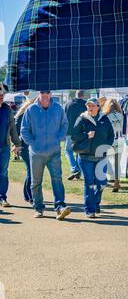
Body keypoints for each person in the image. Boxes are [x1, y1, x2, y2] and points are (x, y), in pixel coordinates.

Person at [21, 90, 71, 220]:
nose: (45, 94)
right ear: (39, 93)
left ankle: (60, 207)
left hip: (54, 151)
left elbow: (64, 125)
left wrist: (58, 139)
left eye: (47, 92)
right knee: (36, 181)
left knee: (57, 179)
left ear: (50, 94)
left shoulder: (58, 108)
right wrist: (33, 143)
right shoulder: (31, 110)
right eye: (42, 92)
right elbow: (24, 130)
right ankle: (38, 208)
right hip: (36, 153)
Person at [71, 97, 114, 218]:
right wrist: (86, 135)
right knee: (89, 183)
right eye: (88, 106)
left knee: (102, 183)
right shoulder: (82, 119)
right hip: (85, 157)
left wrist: (106, 147)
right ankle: (90, 209)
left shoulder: (104, 119)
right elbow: (74, 136)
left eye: (92, 105)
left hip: (101, 156)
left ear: (98, 107)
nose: (90, 108)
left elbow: (111, 135)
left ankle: (95, 203)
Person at [0, 83, 21, 207]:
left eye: (2, 96)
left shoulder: (7, 110)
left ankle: (2, 197)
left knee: (3, 172)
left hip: (4, 147)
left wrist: (17, 143)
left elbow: (12, 127)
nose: (1, 98)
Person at [15, 97, 37, 204]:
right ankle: (31, 196)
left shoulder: (26, 115)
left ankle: (27, 195)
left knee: (30, 171)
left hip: (28, 146)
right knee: (31, 171)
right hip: (24, 146)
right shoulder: (24, 116)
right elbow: (18, 132)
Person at [64, 90, 87, 180]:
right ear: (83, 95)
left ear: (75, 94)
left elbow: (64, 117)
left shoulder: (68, 103)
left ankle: (74, 169)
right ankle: (78, 172)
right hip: (81, 131)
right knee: (78, 151)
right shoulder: (86, 104)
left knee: (68, 151)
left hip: (70, 131)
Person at [102, 99, 124, 192]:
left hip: (109, 141)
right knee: (117, 163)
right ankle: (117, 182)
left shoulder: (105, 116)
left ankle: (104, 179)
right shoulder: (120, 115)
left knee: (104, 160)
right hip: (119, 140)